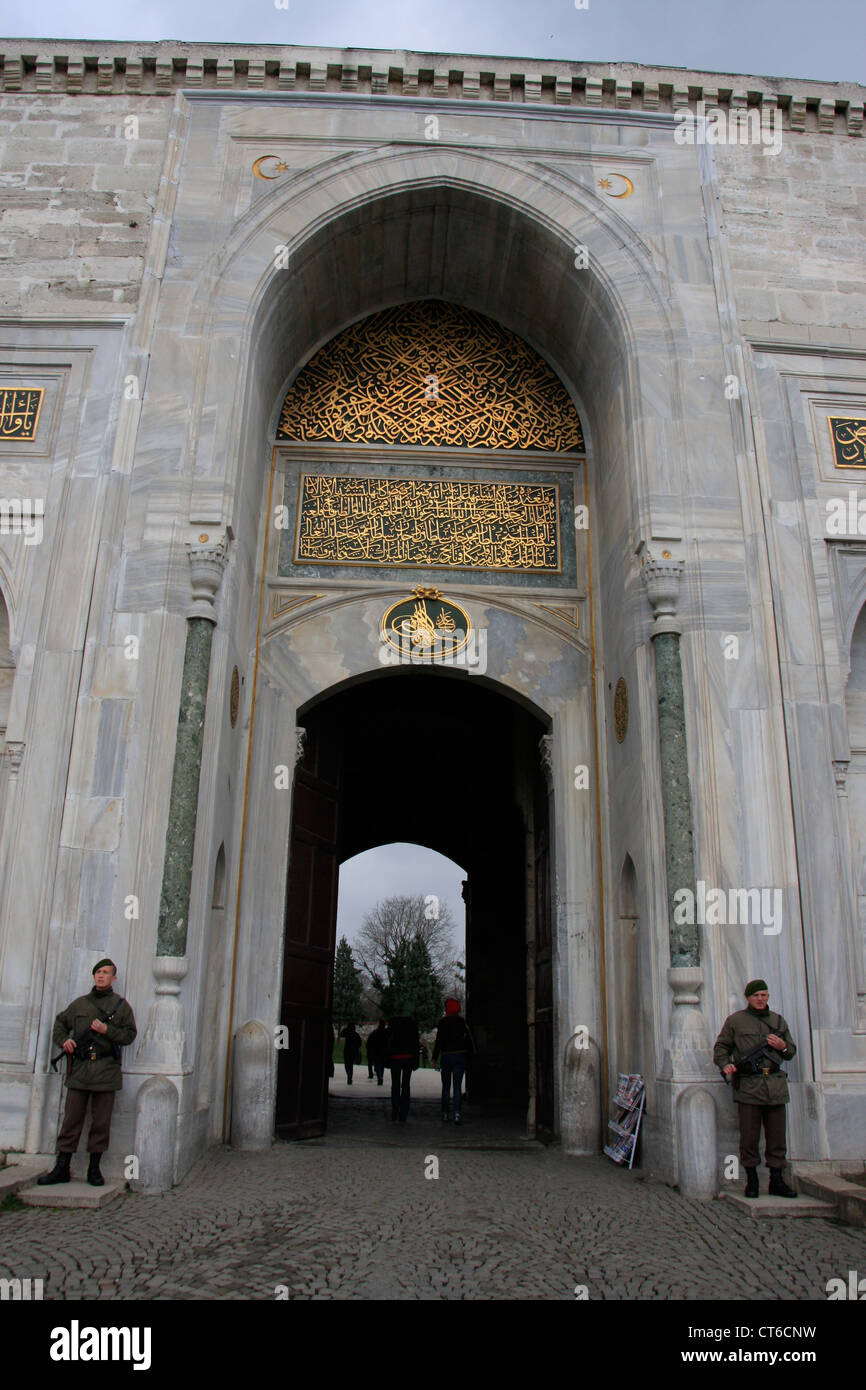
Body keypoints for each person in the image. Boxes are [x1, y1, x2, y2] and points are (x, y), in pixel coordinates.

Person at [38, 958, 137, 1187]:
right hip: (81, 1070)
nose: (101, 976)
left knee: (101, 1123)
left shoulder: (120, 1007)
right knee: (71, 1120)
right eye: (98, 972)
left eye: (106, 972)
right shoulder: (80, 1005)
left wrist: (107, 1030)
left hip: (106, 1070)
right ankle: (62, 1167)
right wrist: (65, 1042)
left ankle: (95, 1168)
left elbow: (130, 1035)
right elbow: (60, 1023)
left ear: (113, 978)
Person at [713, 979, 798, 1199]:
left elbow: (790, 1051)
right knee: (749, 1138)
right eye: (756, 995)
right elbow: (721, 1048)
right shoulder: (736, 1021)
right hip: (749, 1087)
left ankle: (777, 1181)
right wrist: (726, 1065)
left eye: (763, 995)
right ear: (748, 997)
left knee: (778, 1138)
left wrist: (783, 1046)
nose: (760, 999)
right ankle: (752, 1181)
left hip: (775, 1087)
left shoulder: (778, 1022)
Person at [433, 997, 474, 1124]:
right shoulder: (462, 1022)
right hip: (460, 1056)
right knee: (457, 1086)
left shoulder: (443, 1022)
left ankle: (445, 1113)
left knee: (446, 1086)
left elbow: (439, 1041)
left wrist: (435, 1057)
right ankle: (457, 1113)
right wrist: (470, 1055)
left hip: (446, 1056)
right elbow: (469, 1040)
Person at [385, 1011, 419, 1122]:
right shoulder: (412, 1024)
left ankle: (395, 1108)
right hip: (408, 1057)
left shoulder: (393, 1023)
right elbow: (415, 1043)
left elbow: (388, 1042)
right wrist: (415, 1061)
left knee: (395, 1084)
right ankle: (404, 1111)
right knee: (405, 1085)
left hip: (395, 1057)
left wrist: (387, 1059)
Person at [366, 1018, 387, 1085]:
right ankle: (381, 1076)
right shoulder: (386, 1033)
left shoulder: (375, 1032)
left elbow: (369, 1042)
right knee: (382, 1065)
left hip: (376, 1051)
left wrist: (369, 1048)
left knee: (377, 1064)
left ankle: (379, 1076)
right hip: (383, 1051)